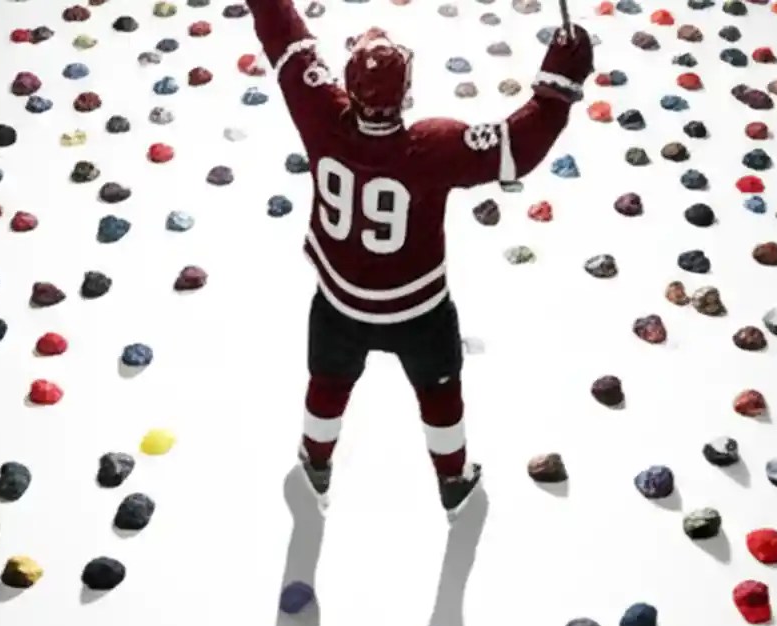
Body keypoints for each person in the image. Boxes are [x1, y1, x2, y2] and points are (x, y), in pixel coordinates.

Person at [244, 0, 595, 516]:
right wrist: (558, 81)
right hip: (419, 310)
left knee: (327, 382)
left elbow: (285, 39)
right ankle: (452, 476)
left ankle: (316, 462)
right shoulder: (435, 146)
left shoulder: (320, 113)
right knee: (440, 390)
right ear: (405, 92)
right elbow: (518, 146)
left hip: (340, 304)